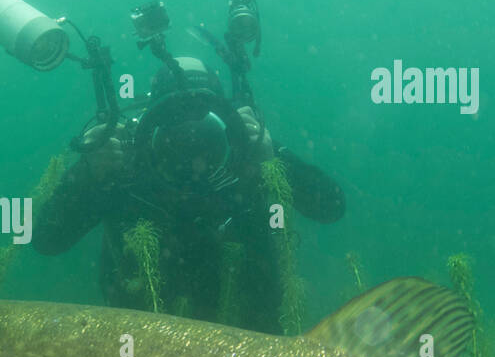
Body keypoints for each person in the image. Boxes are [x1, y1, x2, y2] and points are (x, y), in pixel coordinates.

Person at [32, 56, 344, 333]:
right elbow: (47, 239)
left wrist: (275, 161)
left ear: (227, 118)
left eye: (204, 125)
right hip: (140, 348)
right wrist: (88, 171)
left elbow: (332, 207)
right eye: (177, 129)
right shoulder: (126, 165)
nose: (192, 143)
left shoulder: (246, 155)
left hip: (248, 348)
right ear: (153, 117)